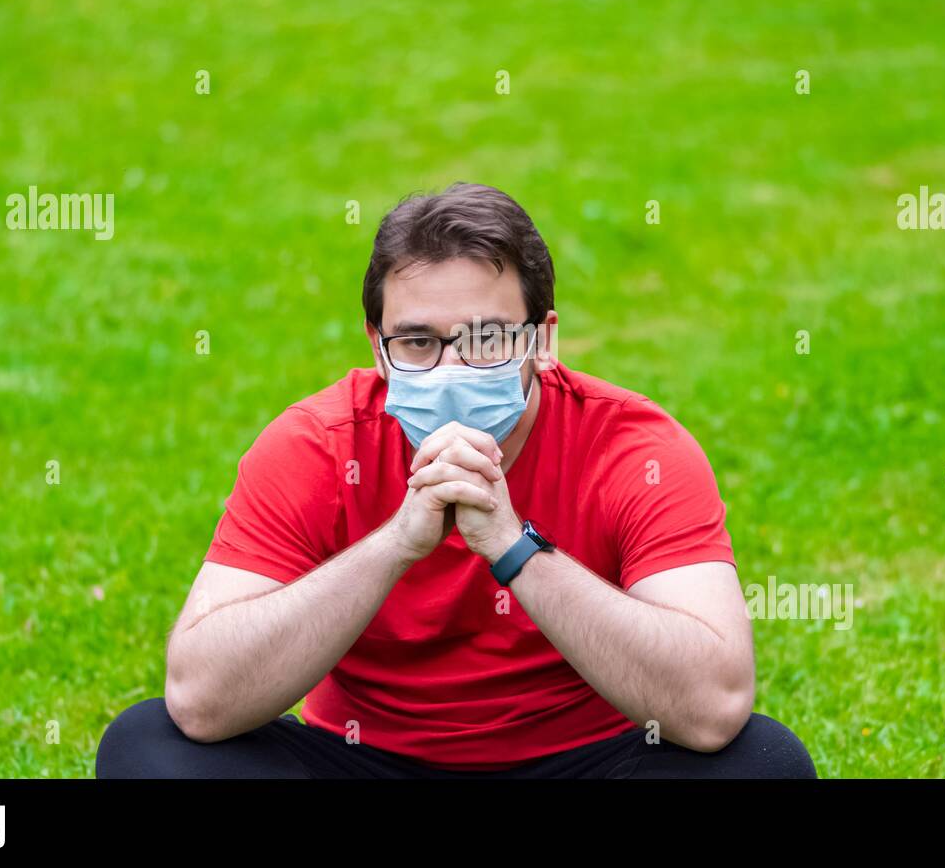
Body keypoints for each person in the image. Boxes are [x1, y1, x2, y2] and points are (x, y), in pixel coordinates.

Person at [96, 182, 816, 778]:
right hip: (364, 763)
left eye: (486, 339)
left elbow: (714, 705)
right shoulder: (317, 445)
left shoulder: (634, 448)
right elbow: (199, 696)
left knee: (762, 763)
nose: (449, 370)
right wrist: (397, 542)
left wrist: (513, 546)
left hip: (582, 764)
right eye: (418, 342)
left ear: (544, 339)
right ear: (378, 347)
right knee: (149, 751)